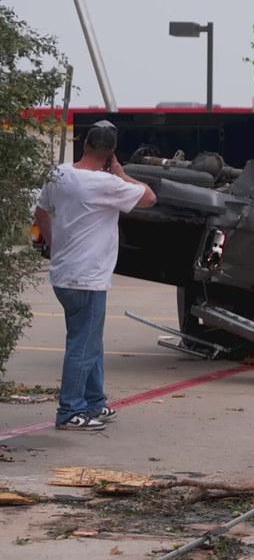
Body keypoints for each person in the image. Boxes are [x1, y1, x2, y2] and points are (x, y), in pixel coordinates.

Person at [34, 120, 156, 432]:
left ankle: (94, 401)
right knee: (83, 343)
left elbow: (41, 211)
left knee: (91, 340)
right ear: (110, 152)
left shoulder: (58, 174)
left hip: (64, 273)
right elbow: (149, 197)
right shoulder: (107, 184)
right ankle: (70, 410)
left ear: (85, 143)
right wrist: (121, 172)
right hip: (88, 277)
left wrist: (52, 242)